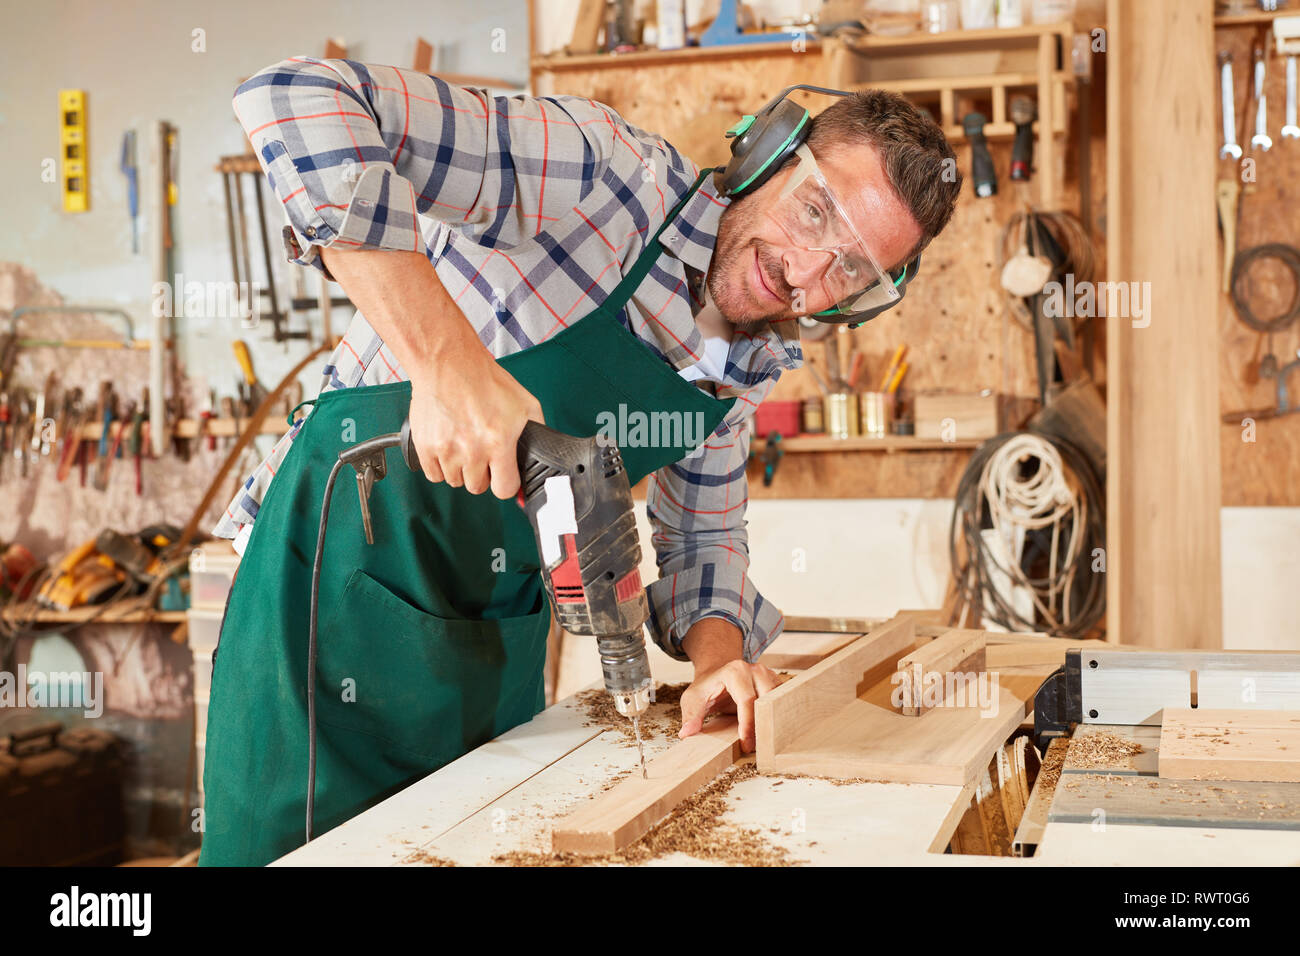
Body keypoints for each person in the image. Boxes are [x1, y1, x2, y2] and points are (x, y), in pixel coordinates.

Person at [198, 57, 960, 865]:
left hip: (490, 637)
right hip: (328, 599)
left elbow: (703, 543)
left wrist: (717, 662)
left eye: (850, 269)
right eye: (815, 213)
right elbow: (292, 95)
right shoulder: (602, 177)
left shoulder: (746, 364)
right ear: (768, 152)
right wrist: (445, 362)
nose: (805, 273)